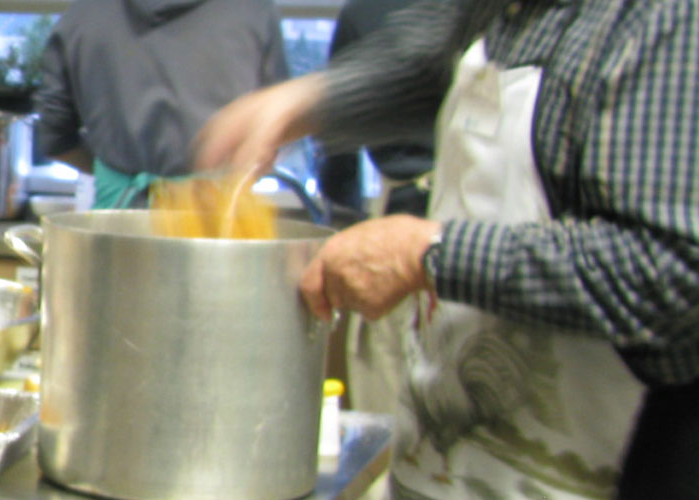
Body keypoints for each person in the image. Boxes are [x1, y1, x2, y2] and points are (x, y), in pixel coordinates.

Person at [194, 0, 699, 497]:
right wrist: (305, 103)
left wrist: (427, 254)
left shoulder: (665, 21)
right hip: (453, 458)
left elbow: (668, 270)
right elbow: (427, 61)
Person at [33, 0, 287, 209]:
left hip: (116, 229)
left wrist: (118, 175)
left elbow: (55, 138)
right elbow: (281, 128)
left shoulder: (82, 13)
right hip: (219, 225)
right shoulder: (253, 10)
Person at [317, 0, 433, 218]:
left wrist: (345, 208)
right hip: (408, 198)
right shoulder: (361, 12)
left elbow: (341, 138)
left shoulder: (361, 11)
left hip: (411, 199)